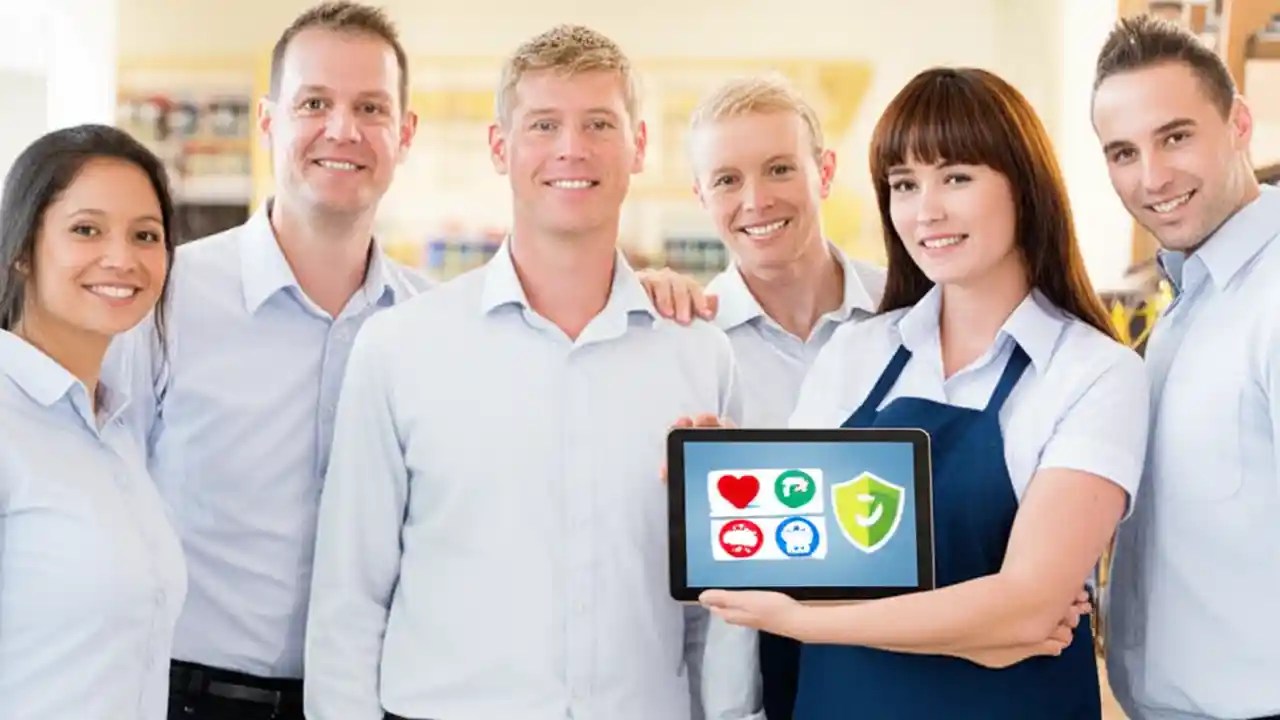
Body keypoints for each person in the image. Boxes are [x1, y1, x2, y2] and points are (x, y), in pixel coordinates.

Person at [303, 24, 753, 720]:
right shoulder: (400, 348)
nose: (572, 148)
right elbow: (349, 596)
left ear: (637, 145)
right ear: (500, 147)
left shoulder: (698, 356)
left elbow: (719, 604)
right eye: (544, 124)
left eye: (598, 123)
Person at [697, 67, 1148, 719]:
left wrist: (806, 622)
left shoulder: (1094, 373)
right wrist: (976, 634)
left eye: (956, 177)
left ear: (1024, 183)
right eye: (903, 185)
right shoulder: (857, 352)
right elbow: (799, 560)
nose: (925, 210)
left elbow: (1029, 606)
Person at [105, 4, 431, 718]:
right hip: (190, 698)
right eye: (314, 102)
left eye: (370, 107)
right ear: (268, 121)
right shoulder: (163, 300)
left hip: (380, 699)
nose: (342, 130)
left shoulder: (435, 326)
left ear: (404, 135)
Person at [1091, 15, 1280, 720]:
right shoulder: (1184, 301)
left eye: (1175, 136)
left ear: (1239, 124)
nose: (1152, 177)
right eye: (1122, 152)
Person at [685, 73, 885, 719]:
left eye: (778, 169)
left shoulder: (908, 313)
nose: (756, 200)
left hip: (900, 656)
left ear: (823, 172)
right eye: (726, 180)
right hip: (753, 681)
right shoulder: (682, 343)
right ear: (701, 197)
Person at [0, 124, 185, 719]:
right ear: (22, 248)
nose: (121, 258)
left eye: (145, 235)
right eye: (86, 229)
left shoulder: (115, 426)